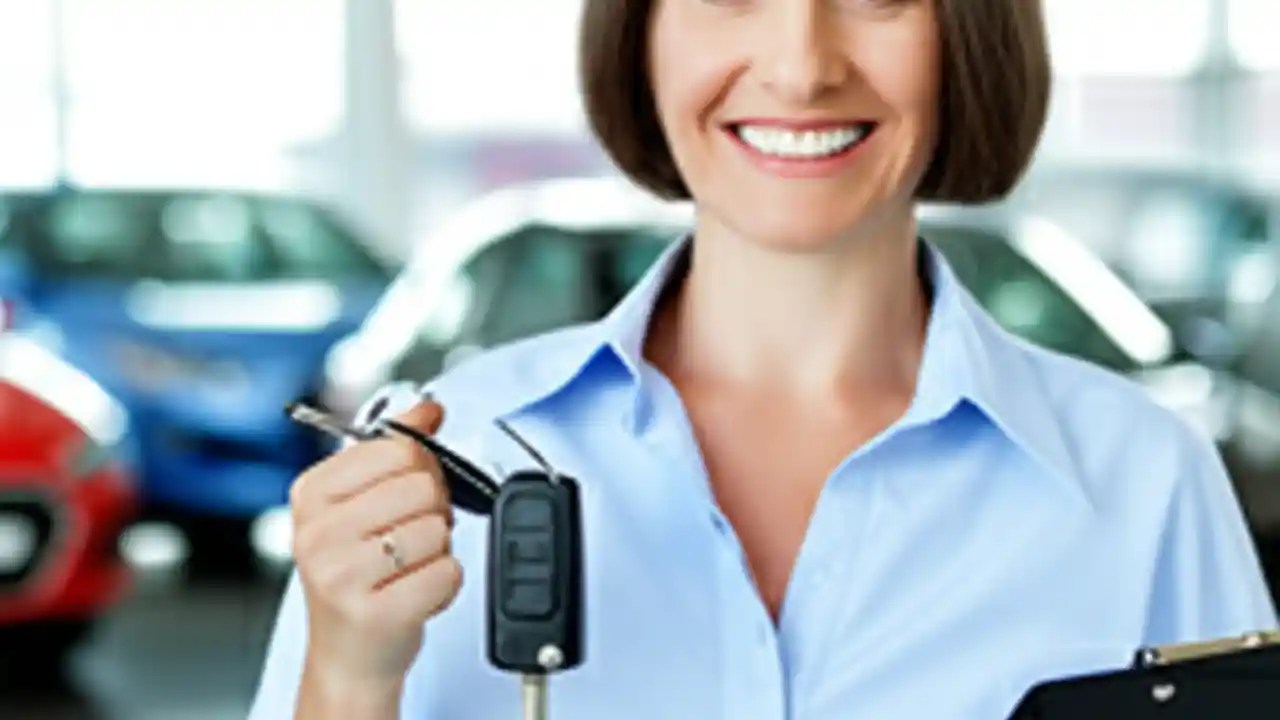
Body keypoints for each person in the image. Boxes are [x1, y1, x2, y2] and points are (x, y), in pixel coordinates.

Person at [250, 0, 1278, 718]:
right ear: (640, 33)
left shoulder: (1143, 483)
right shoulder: (435, 467)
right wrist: (346, 680)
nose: (800, 65)